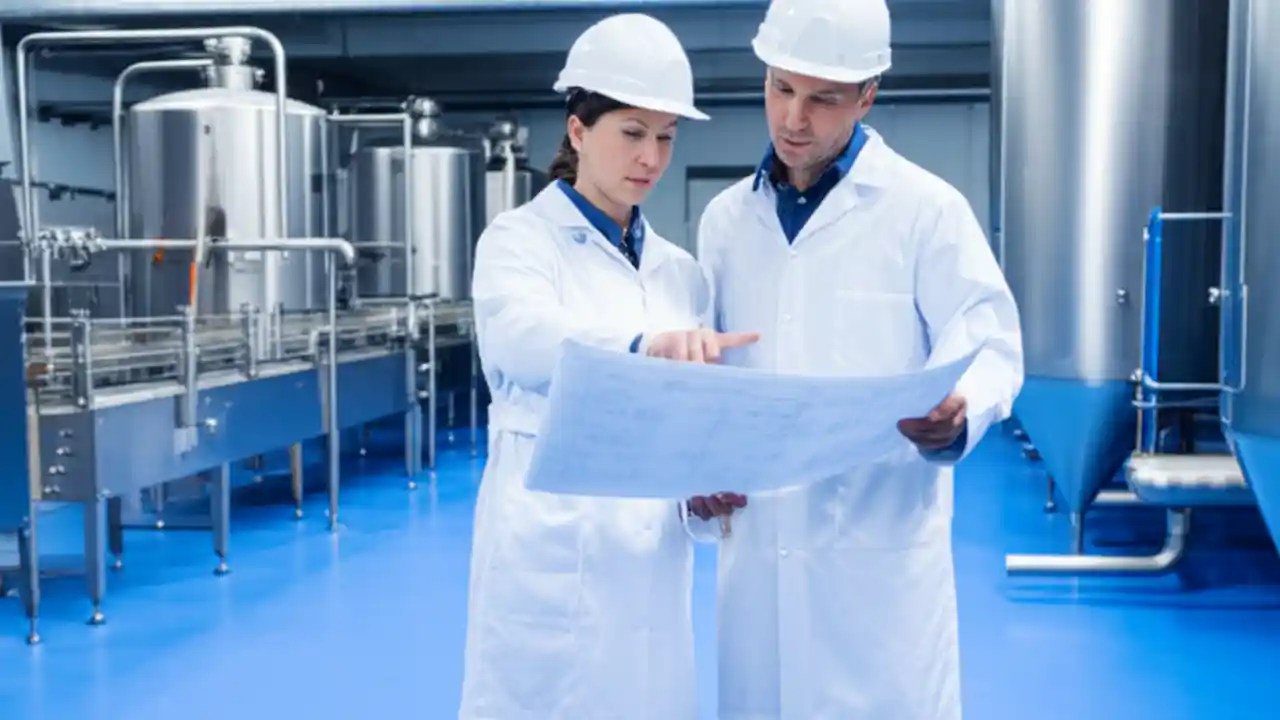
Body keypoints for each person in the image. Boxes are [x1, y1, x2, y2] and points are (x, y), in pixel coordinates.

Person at [677, 0, 1026, 717]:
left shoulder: (925, 210)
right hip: (759, 559)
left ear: (867, 96)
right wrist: (695, 472)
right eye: (780, 88)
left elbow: (990, 340)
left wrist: (960, 414)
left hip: (877, 558)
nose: (793, 119)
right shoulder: (724, 223)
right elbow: (702, 378)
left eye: (822, 99)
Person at [458, 13, 757, 720]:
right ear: (578, 128)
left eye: (665, 137)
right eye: (631, 132)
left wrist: (695, 493)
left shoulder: (678, 273)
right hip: (550, 556)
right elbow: (521, 341)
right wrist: (640, 346)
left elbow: (679, 422)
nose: (650, 158)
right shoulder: (519, 241)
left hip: (649, 569)